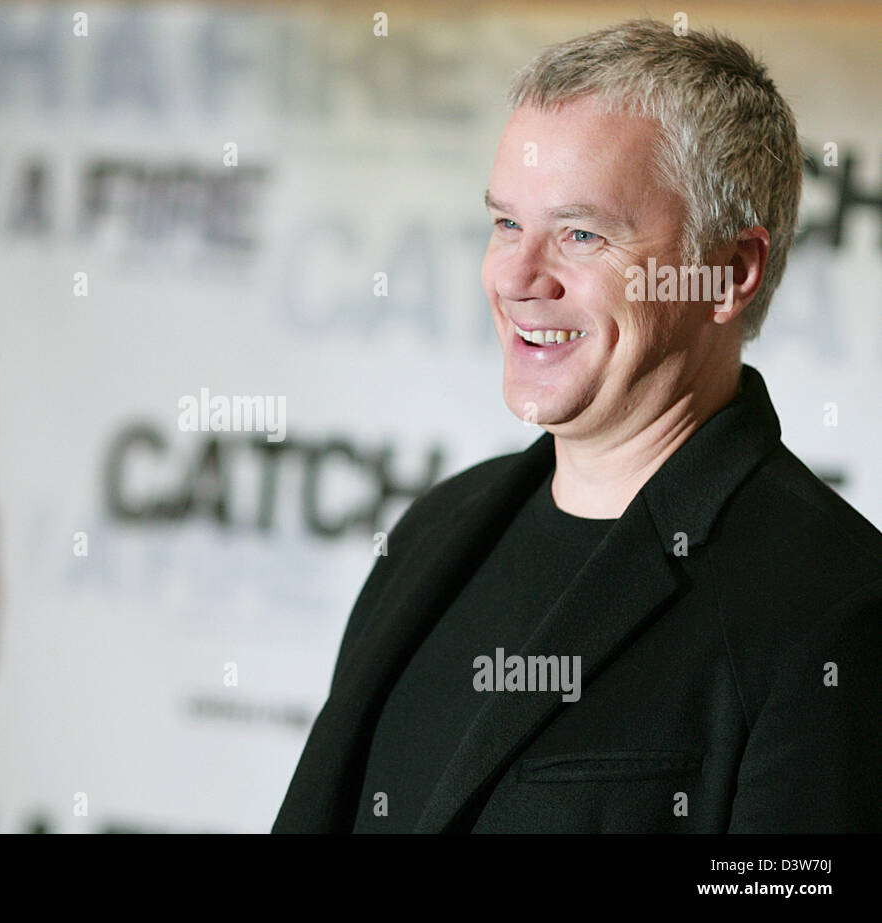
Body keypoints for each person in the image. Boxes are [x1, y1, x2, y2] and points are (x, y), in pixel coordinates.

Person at [273, 19, 882, 834]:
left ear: (730, 272)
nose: (517, 278)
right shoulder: (434, 532)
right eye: (506, 224)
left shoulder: (834, 610)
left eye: (582, 234)